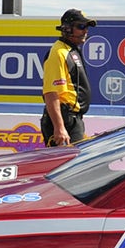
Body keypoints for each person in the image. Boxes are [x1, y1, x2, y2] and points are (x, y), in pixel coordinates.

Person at [41, 8, 95, 147]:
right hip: (64, 121)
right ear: (67, 28)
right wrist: (59, 127)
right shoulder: (58, 53)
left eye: (87, 27)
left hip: (73, 120)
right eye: (81, 26)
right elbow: (51, 93)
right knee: (66, 167)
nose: (85, 31)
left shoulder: (71, 50)